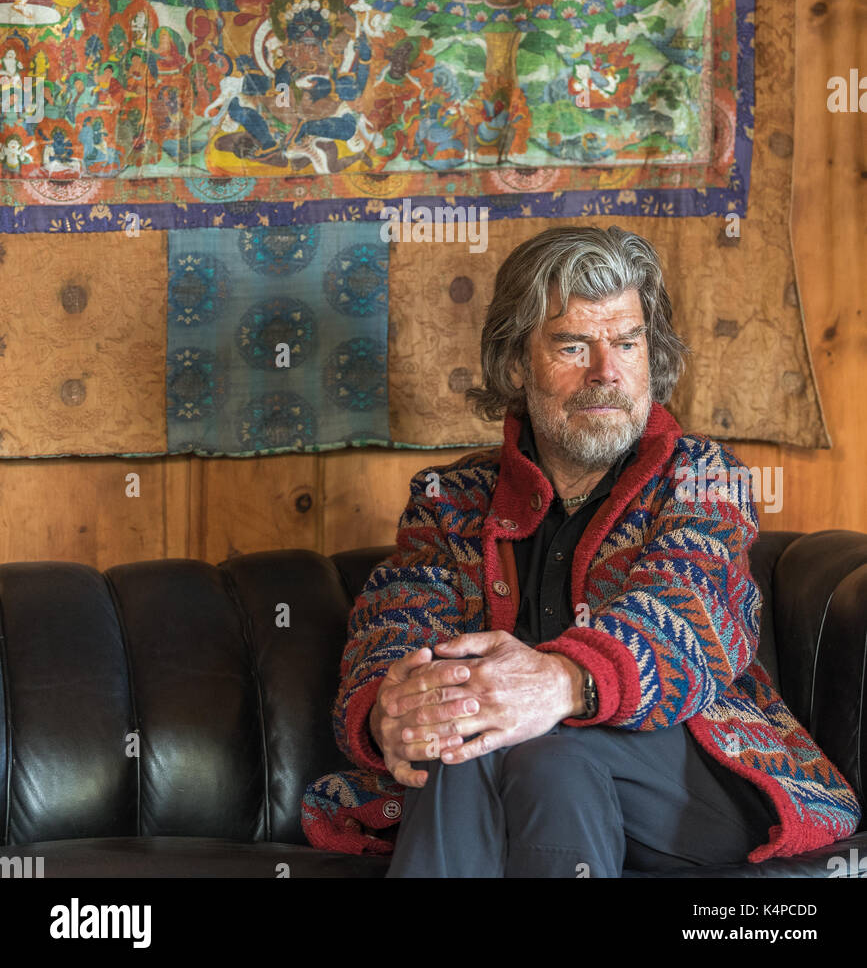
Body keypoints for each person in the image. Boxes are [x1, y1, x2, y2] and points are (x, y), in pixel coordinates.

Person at [302, 226, 862, 876]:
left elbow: (691, 618)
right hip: (511, 771)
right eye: (573, 345)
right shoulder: (452, 496)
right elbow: (397, 622)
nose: (607, 371)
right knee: (464, 743)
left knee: (539, 747)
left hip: (701, 779)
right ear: (516, 365)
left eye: (626, 342)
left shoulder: (701, 477)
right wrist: (391, 713)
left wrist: (562, 683)